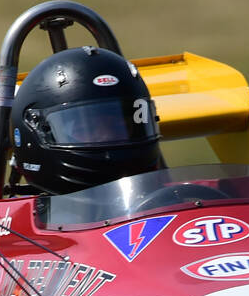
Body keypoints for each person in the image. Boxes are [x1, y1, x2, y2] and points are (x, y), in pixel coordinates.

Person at [10, 46, 161, 194]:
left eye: (119, 126)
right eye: (85, 129)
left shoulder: (167, 200)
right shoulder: (19, 212)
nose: (106, 136)